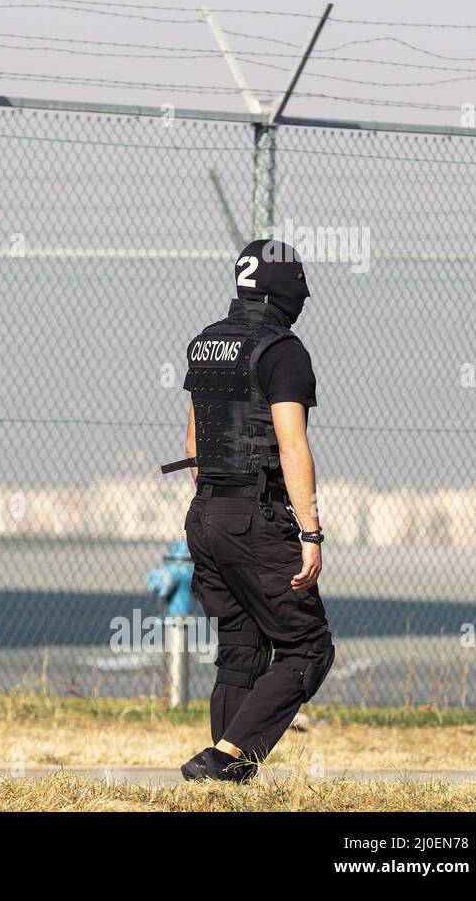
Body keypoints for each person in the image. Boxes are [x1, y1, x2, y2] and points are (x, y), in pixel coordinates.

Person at [162, 239, 334, 783]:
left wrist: (217, 499)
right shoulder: (284, 350)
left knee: (240, 648)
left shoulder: (207, 343)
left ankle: (227, 778)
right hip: (255, 519)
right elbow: (291, 444)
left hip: (205, 511)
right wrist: (310, 530)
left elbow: (194, 435)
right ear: (287, 290)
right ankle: (225, 758)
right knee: (308, 647)